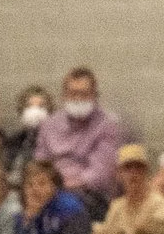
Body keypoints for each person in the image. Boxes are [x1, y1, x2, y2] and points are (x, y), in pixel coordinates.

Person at [32, 67, 128, 203]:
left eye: (84, 94)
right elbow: (40, 163)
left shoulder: (107, 125)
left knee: (67, 203)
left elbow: (100, 175)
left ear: (95, 96)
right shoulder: (49, 125)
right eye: (72, 93)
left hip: (89, 195)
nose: (77, 98)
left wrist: (60, 186)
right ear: (64, 96)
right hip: (50, 189)